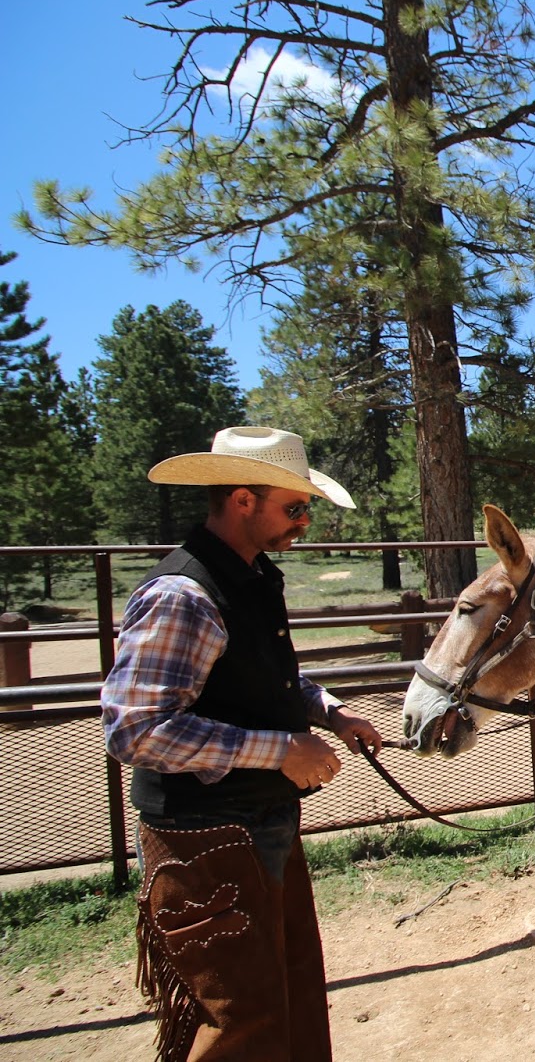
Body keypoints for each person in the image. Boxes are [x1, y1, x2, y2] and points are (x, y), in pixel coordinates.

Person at [101, 426, 383, 1061]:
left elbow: (261, 675)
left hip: (254, 826)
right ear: (242, 500)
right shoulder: (183, 595)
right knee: (240, 1021)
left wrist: (329, 712)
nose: (305, 522)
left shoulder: (249, 577)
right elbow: (135, 728)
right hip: (206, 840)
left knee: (290, 994)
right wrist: (282, 751)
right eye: (295, 507)